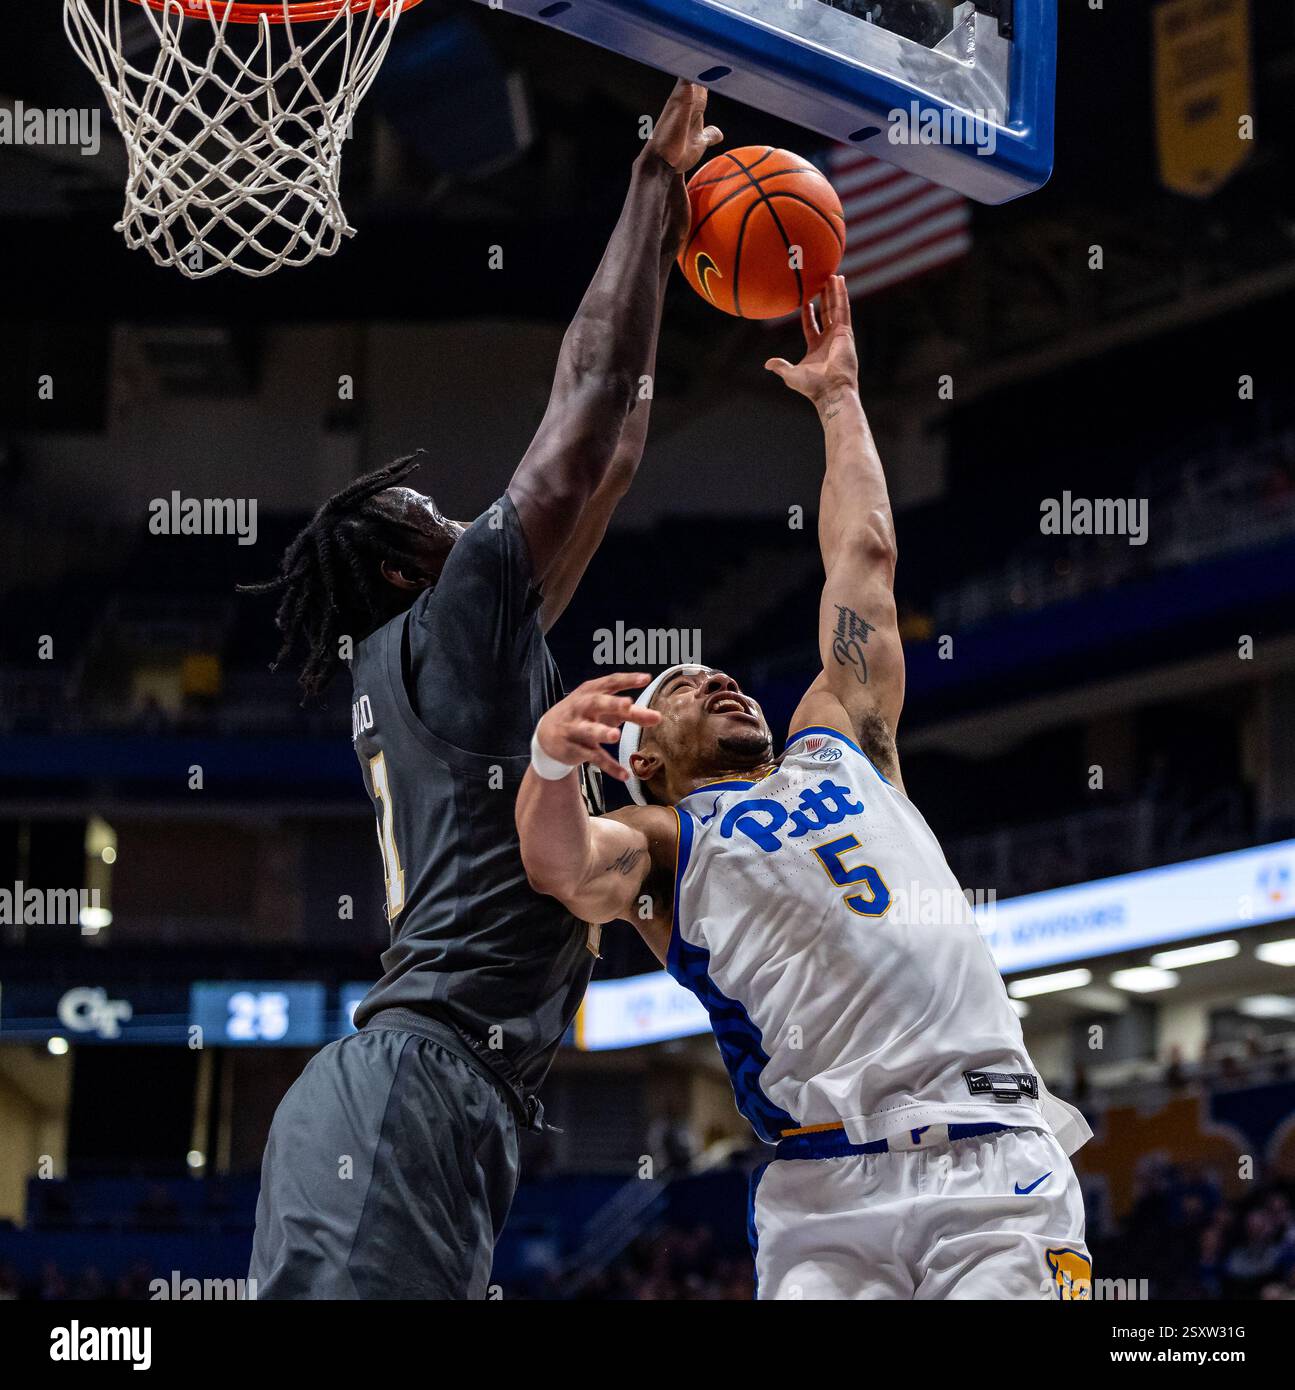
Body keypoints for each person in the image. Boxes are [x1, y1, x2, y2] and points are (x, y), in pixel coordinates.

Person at [515, 276, 1093, 1300]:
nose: (721, 681)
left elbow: (863, 557)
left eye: (723, 675)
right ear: (642, 755)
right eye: (686, 686)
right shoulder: (659, 842)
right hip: (824, 1188)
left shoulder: (839, 739)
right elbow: (557, 861)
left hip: (990, 1152)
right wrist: (552, 756)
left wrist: (837, 399)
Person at [241, 81, 722, 1299]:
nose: (474, 521)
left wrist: (662, 262)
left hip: (419, 1096)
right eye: (441, 515)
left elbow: (611, 454)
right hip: (413, 1088)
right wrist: (647, 190)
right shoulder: (444, 620)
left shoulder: (420, 653)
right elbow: (584, 410)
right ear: (411, 565)